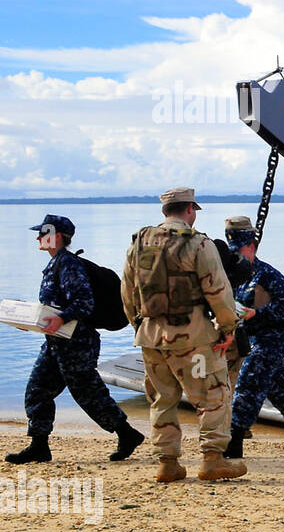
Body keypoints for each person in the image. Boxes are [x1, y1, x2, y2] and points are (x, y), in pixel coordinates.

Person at [121, 188, 247, 482]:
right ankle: (213, 460)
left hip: (151, 337)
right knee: (212, 395)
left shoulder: (138, 243)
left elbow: (127, 292)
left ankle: (168, 464)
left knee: (162, 399)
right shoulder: (199, 244)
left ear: (166, 211)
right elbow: (218, 291)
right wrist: (228, 328)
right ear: (190, 209)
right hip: (193, 337)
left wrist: (139, 326)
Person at [6, 215, 146, 465]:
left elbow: (83, 303)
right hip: (56, 342)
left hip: (77, 343)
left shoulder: (69, 265)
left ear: (57, 236)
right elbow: (55, 306)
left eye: (43, 233)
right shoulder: (55, 264)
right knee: (37, 390)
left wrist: (61, 319)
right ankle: (39, 445)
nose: (38, 237)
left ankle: (127, 433)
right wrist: (31, 322)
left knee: (88, 393)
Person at [222, 217, 284, 459]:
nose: (236, 255)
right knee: (274, 385)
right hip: (251, 335)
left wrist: (257, 313)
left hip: (274, 335)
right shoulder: (233, 274)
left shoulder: (268, 274)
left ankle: (235, 439)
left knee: (250, 378)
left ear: (251, 247)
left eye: (240, 250)